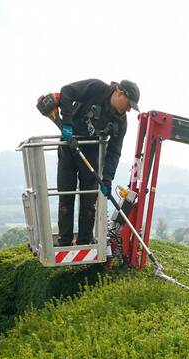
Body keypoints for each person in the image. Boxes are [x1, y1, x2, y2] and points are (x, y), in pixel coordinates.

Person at [53, 78, 139, 246]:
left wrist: (107, 178)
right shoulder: (96, 88)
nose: (128, 110)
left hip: (92, 153)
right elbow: (67, 91)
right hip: (69, 146)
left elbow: (114, 151)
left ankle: (85, 241)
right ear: (120, 93)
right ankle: (65, 241)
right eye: (129, 104)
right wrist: (68, 124)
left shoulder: (121, 121)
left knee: (89, 200)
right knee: (66, 196)